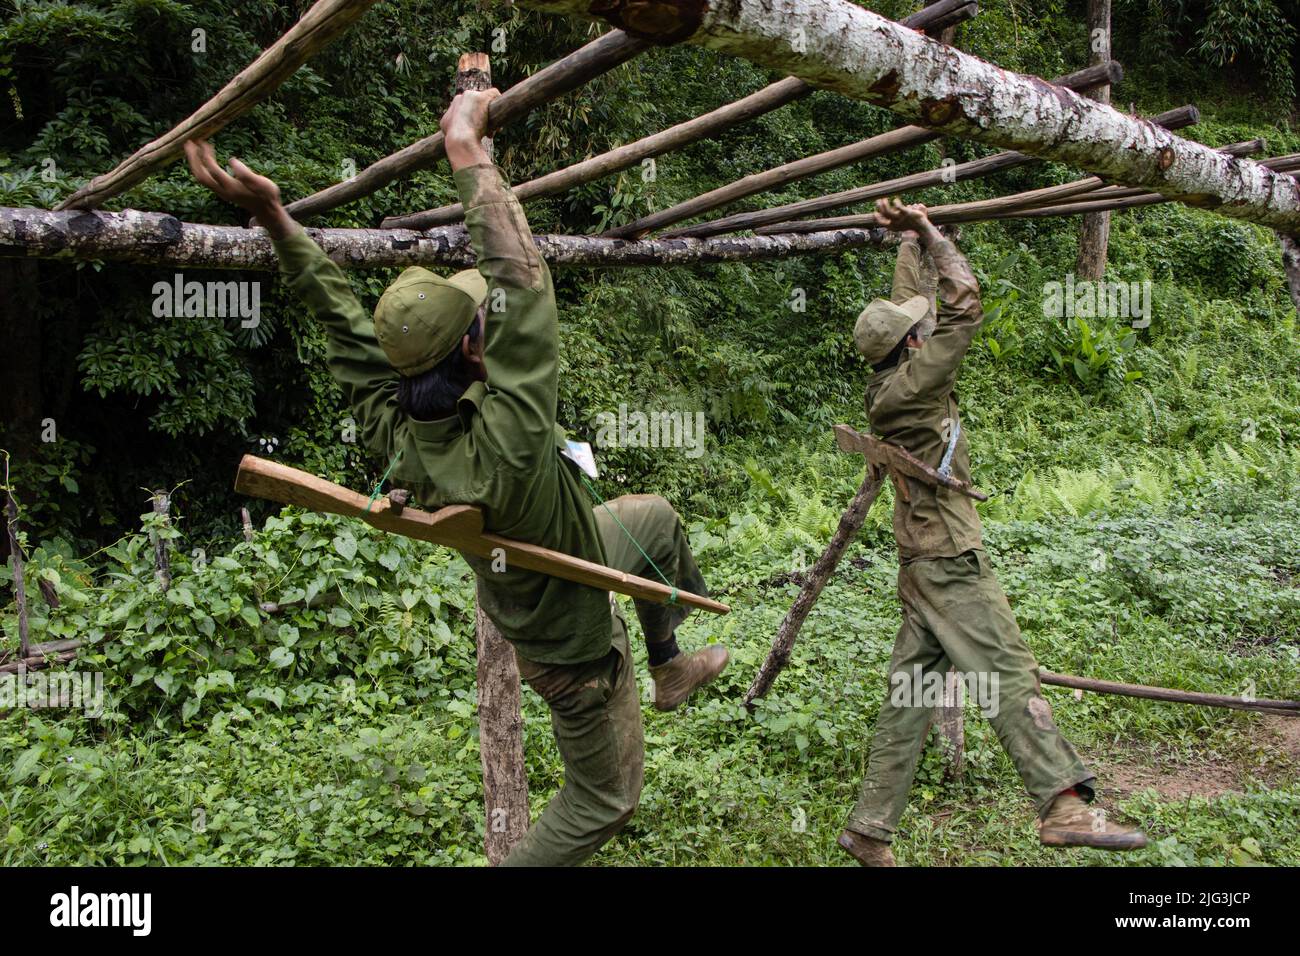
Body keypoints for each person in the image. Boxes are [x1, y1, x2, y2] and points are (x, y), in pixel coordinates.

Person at [182, 87, 728, 866]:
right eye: (480, 327)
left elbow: (339, 316)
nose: (490, 325)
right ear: (474, 354)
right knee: (603, 802)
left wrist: (275, 217)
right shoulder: (509, 437)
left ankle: (669, 663)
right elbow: (522, 283)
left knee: (658, 519)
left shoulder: (396, 435)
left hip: (574, 551)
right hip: (570, 643)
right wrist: (467, 152)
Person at [837, 198, 1147, 866]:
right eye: (918, 330)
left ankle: (869, 828)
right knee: (1005, 672)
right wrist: (927, 234)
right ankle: (1065, 805)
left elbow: (913, 301)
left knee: (908, 695)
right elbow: (964, 306)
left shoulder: (889, 380)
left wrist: (910, 238)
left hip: (920, 562)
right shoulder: (918, 384)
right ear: (914, 347)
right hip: (951, 561)